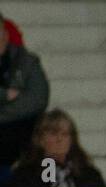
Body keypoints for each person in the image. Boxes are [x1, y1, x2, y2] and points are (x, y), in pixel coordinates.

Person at [0, 19, 49, 169]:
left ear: (7, 35)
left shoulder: (27, 61)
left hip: (20, 139)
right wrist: (4, 95)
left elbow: (37, 99)